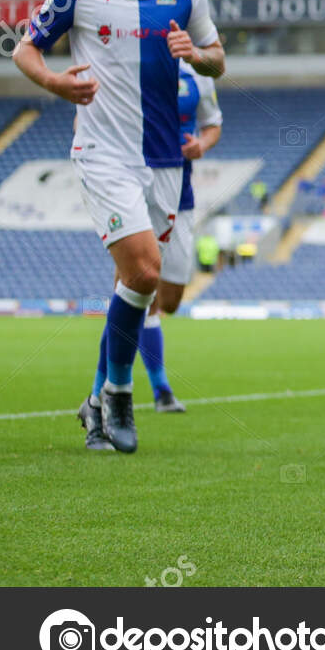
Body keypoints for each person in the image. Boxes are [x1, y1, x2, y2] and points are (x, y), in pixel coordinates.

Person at [13, 0, 224, 453]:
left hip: (163, 160)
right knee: (145, 272)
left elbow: (218, 60)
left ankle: (95, 402)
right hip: (104, 153)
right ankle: (120, 392)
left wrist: (197, 56)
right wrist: (55, 81)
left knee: (136, 284)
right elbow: (24, 46)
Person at [135, 58, 221, 413]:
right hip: (136, 189)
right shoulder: (134, 59)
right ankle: (142, 391)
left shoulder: (197, 74)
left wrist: (201, 144)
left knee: (168, 300)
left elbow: (212, 125)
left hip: (181, 195)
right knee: (135, 289)